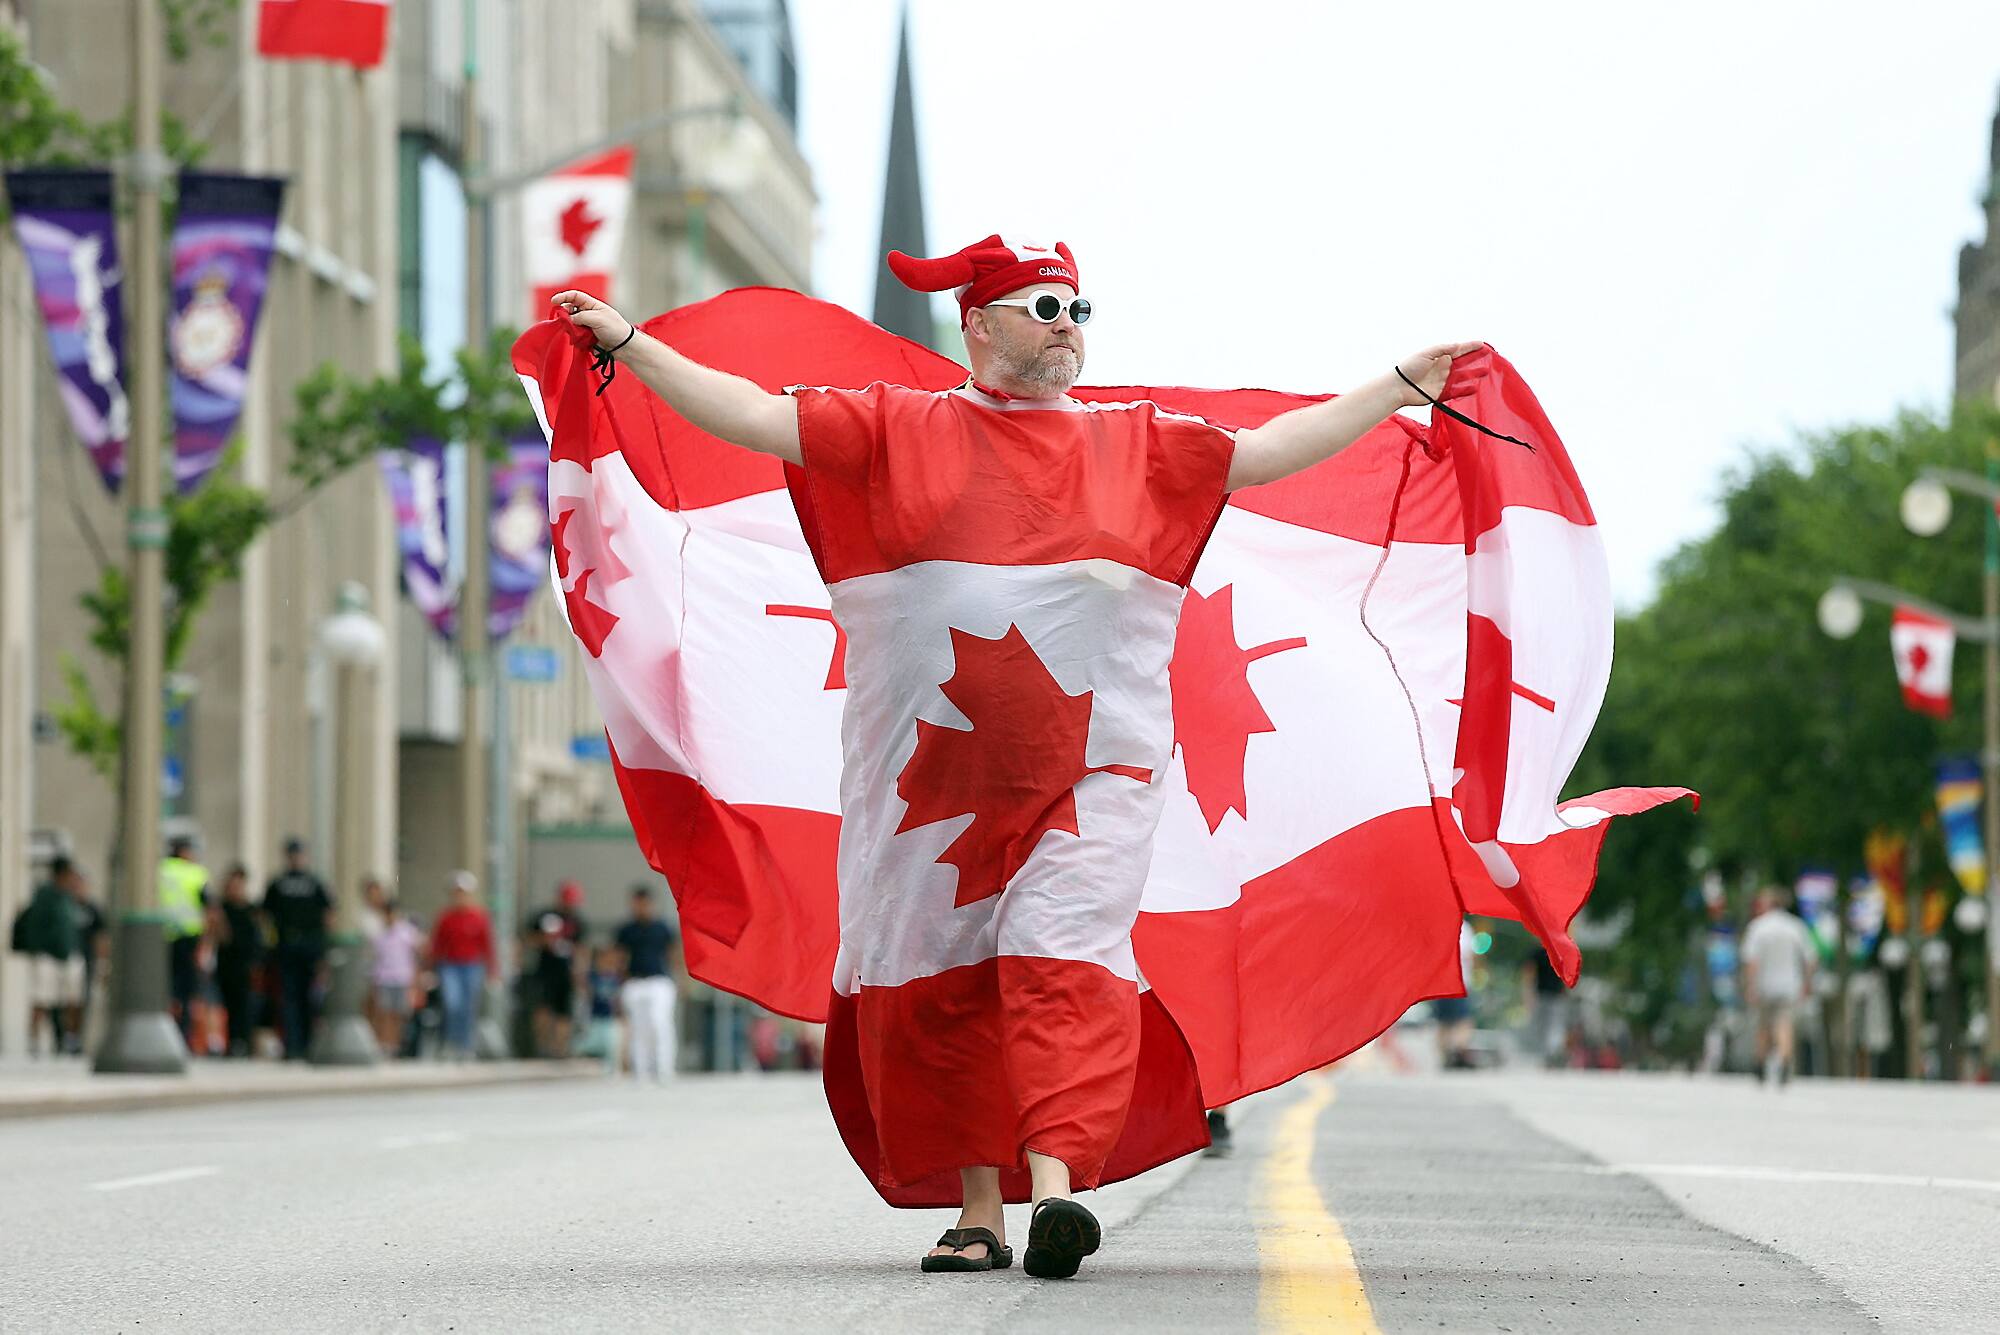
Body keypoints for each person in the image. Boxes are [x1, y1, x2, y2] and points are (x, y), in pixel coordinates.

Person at [552, 235, 1477, 1278]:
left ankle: (1056, 1188)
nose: (1066, 328)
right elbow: (753, 415)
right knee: (943, 981)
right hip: (926, 786)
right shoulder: (895, 426)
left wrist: (1396, 386)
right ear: (978, 325)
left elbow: (1266, 451)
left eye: (1078, 310)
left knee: (1061, 953)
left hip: (1093, 775)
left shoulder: (1139, 443)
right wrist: (629, 346)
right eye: (1043, 309)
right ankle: (978, 1210)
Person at [262, 837, 332, 1059]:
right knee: (293, 997)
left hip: (301, 946)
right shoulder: (306, 883)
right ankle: (295, 1044)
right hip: (294, 946)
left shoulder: (288, 883)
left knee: (302, 997)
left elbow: (327, 915)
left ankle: (302, 1044)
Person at [1742, 887, 1818, 1087]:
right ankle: (1784, 1059)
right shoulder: (1796, 926)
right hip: (1789, 985)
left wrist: (1749, 986)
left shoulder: (1758, 927)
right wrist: (1807, 982)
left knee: (1763, 1026)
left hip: (1763, 985)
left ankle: (1760, 1063)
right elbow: (1811, 958)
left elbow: (1751, 961)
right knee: (1784, 1024)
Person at [15, 857, 85, 1057]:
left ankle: (70, 1039)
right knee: (42, 998)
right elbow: (34, 927)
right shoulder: (45, 896)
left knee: (73, 999)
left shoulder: (68, 897)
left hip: (69, 953)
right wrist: (37, 950)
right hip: (47, 955)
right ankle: (34, 1041)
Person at [613, 886, 679, 1082]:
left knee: (659, 1023)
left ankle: (664, 1068)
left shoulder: (662, 928)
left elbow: (673, 954)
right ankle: (641, 1070)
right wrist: (620, 981)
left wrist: (680, 979)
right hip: (635, 982)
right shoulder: (627, 930)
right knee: (638, 1027)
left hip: (658, 980)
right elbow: (620, 957)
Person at [428, 871, 494, 1060]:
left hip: (472, 966)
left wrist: (492, 969)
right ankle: (451, 1042)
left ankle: (466, 1045)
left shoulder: (479, 917)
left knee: (468, 1007)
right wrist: (430, 968)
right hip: (449, 966)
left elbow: (487, 945)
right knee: (452, 1004)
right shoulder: (446, 917)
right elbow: (437, 945)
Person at [158, 837, 210, 1050]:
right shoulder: (195, 873)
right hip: (189, 939)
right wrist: (206, 943)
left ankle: (166, 1032)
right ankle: (183, 1036)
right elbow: (209, 909)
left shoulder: (161, 870)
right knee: (187, 992)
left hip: (163, 937)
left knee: (168, 990)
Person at [529, 881, 588, 1058]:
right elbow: (528, 939)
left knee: (564, 1012)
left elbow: (581, 949)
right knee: (543, 1009)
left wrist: (580, 972)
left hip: (566, 973)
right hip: (545, 970)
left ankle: (560, 1049)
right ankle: (542, 1047)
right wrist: (544, 941)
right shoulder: (544, 917)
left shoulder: (577, 922)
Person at [213, 865, 265, 1058]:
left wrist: (258, 962)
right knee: (228, 1004)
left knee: (246, 1005)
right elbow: (221, 937)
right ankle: (231, 1042)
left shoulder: (252, 911)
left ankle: (245, 1042)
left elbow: (259, 938)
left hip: (246, 965)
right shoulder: (222, 909)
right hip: (227, 963)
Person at [368, 900, 425, 1057]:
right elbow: (375, 959)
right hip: (383, 978)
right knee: (384, 1013)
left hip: (402, 978)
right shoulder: (379, 935)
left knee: (398, 1014)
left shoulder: (408, 933)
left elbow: (418, 954)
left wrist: (416, 979)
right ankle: (384, 1044)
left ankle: (395, 1045)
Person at [1432, 920, 1478, 1069]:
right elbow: (1470, 956)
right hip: (1461, 981)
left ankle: (1446, 1054)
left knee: (1444, 1021)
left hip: (1441, 981)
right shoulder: (1466, 928)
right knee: (1463, 1020)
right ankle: (1459, 1051)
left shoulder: (1439, 926)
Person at [1521, 946, 1572, 1069]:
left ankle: (1550, 1055)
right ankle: (1549, 1055)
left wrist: (1528, 993)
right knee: (1549, 1026)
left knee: (1548, 1027)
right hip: (1548, 995)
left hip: (1549, 996)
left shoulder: (1540, 952)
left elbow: (1529, 973)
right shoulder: (1557, 950)